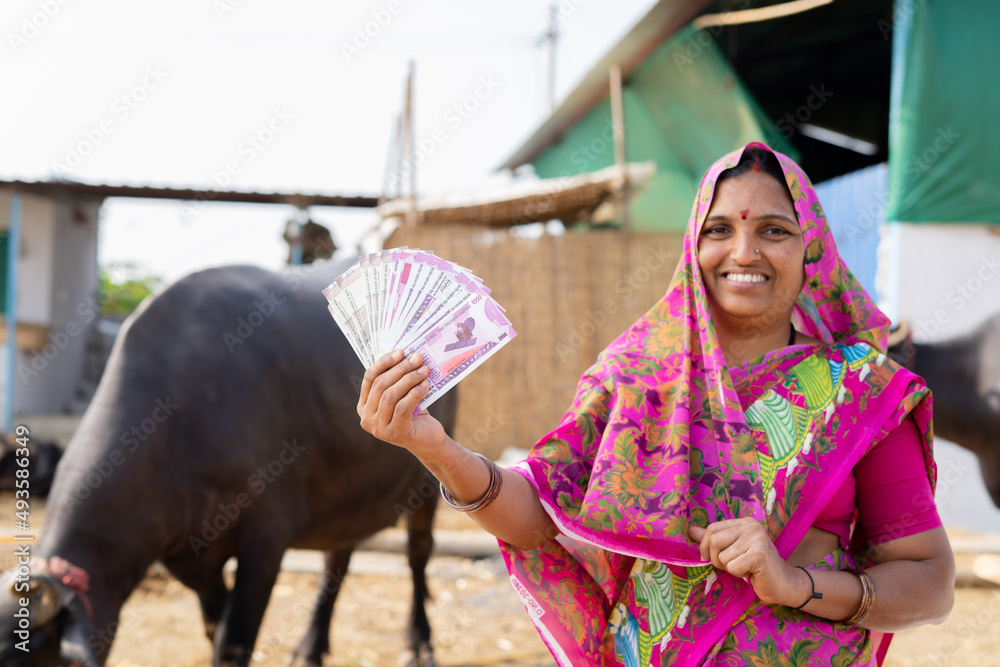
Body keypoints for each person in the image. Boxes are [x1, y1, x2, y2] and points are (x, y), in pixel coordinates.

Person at [357, 142, 955, 666]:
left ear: (813, 250)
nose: (743, 252)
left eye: (773, 230)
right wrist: (433, 448)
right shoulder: (634, 376)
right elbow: (540, 517)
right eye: (719, 230)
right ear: (693, 247)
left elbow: (928, 583)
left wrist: (795, 583)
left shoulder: (864, 393)